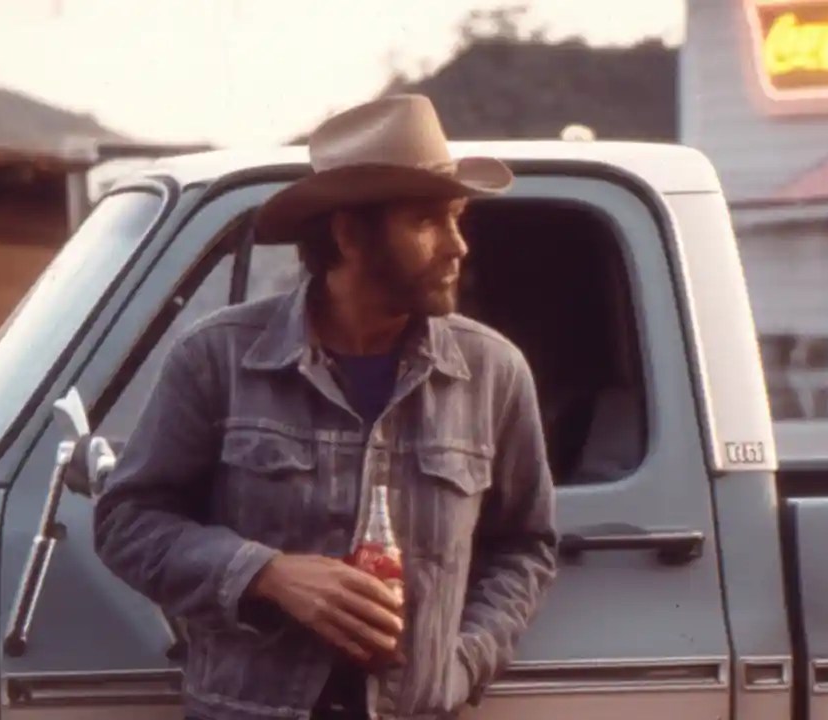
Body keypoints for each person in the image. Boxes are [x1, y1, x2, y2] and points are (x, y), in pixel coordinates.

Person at [93, 94, 558, 720]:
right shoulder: (219, 357)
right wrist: (265, 574)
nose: (458, 247)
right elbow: (127, 521)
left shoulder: (492, 374)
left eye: (457, 219)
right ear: (348, 235)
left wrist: (463, 661)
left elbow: (525, 545)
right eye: (426, 222)